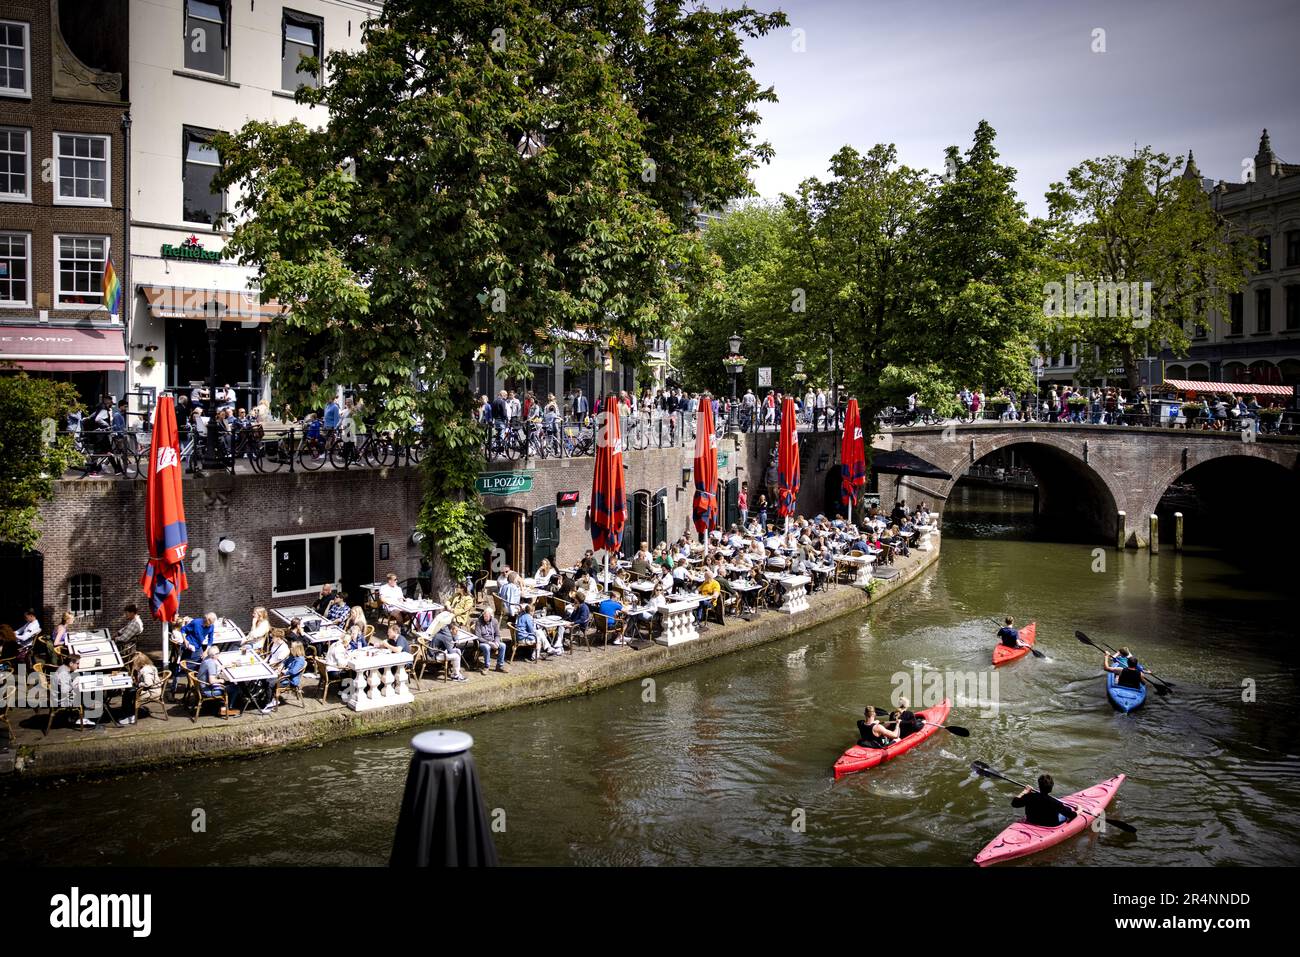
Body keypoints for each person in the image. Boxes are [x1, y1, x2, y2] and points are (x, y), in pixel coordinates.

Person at [1011, 774, 1077, 827]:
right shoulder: (1055, 802)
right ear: (1051, 788)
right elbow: (1071, 815)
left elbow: (1014, 803)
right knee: (1069, 809)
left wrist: (1025, 791)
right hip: (1051, 824)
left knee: (1065, 809)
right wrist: (1079, 810)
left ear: (1039, 786)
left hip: (1031, 820)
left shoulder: (1029, 796)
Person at [117, 651, 162, 725]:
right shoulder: (149, 666)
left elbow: (148, 683)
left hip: (152, 692)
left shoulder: (145, 670)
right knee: (129, 692)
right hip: (152, 689)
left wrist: (138, 684)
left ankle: (130, 716)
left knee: (128, 694)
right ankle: (129, 712)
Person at [425, 610, 468, 680]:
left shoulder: (446, 629)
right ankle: (456, 675)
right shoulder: (447, 636)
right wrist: (455, 636)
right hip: (434, 654)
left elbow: (454, 639)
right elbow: (450, 651)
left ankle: (456, 670)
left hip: (439, 651)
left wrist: (455, 635)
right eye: (456, 631)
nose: (457, 632)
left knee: (458, 650)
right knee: (456, 656)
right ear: (451, 630)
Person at [197, 645, 238, 716]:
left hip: (201, 686)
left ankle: (224, 704)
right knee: (235, 688)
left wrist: (223, 666)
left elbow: (212, 672)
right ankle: (229, 708)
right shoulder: (211, 664)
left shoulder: (207, 659)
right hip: (208, 690)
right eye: (218, 653)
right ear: (214, 655)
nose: (219, 655)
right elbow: (212, 681)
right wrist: (221, 680)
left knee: (227, 682)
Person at [474, 607, 508, 674]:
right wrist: (488, 642)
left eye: (487, 616)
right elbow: (478, 636)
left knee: (503, 645)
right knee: (487, 647)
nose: (485, 617)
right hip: (483, 642)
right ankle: (486, 666)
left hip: (493, 641)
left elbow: (498, 634)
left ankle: (499, 666)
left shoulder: (495, 621)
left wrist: (496, 642)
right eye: (484, 615)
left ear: (491, 616)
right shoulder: (479, 622)